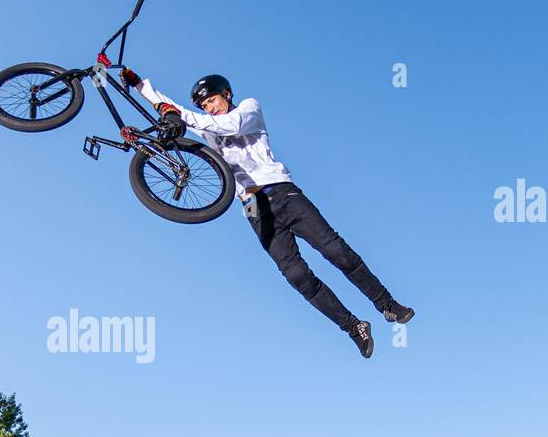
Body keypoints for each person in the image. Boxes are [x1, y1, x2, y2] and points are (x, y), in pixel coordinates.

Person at [120, 68, 414, 358]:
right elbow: (175, 109)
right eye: (204, 105)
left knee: (336, 251)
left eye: (212, 101)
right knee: (296, 275)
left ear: (226, 94)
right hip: (251, 206)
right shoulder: (207, 126)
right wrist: (140, 85)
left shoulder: (249, 109)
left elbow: (226, 125)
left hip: (282, 191)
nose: (209, 108)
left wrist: (180, 114)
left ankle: (387, 304)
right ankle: (354, 327)